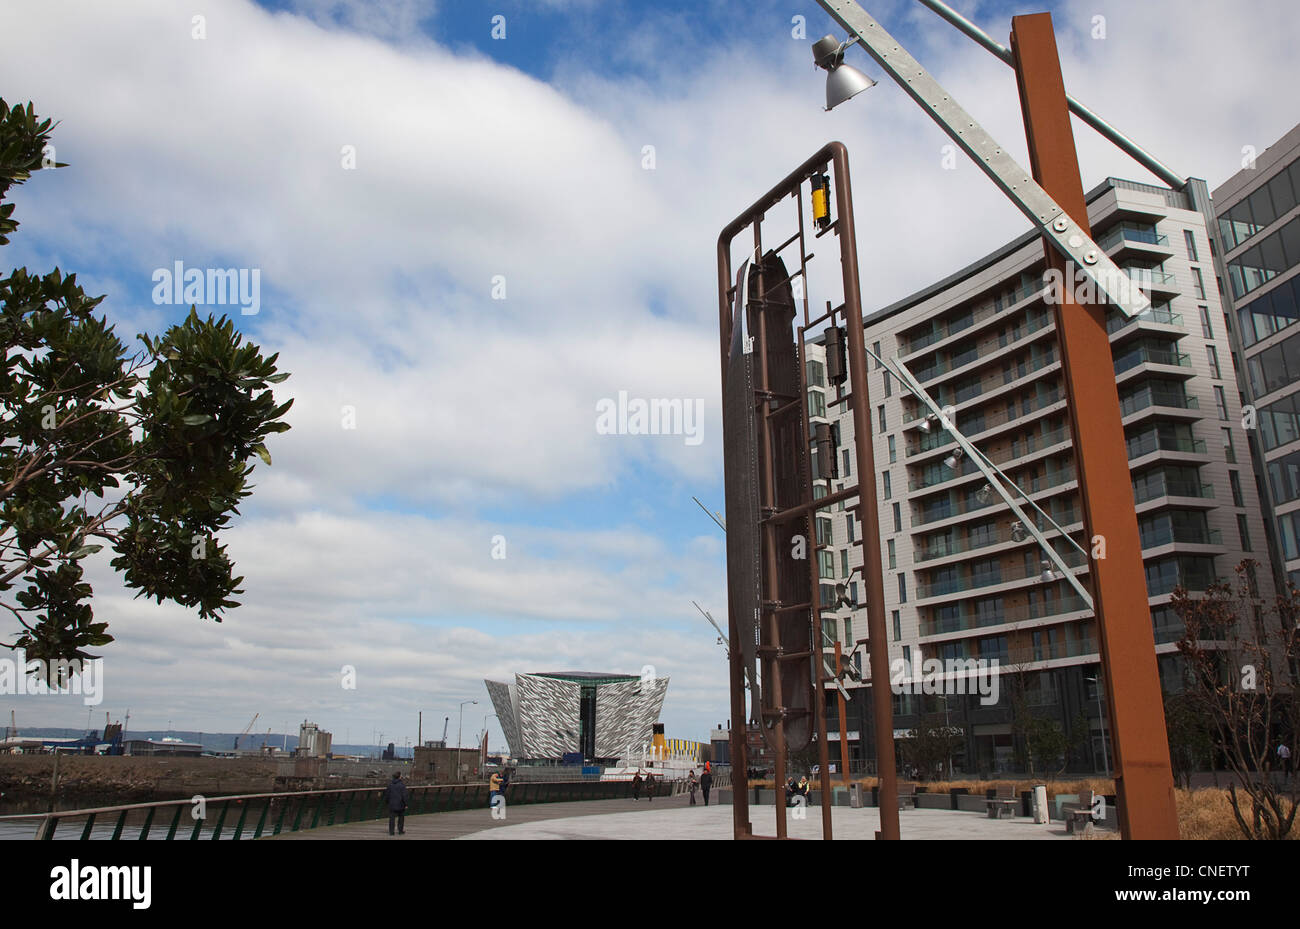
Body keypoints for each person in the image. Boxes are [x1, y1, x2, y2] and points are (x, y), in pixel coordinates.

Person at [384, 771, 409, 836]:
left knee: (392, 818)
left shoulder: (390, 785)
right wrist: (406, 804)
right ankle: (400, 830)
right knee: (401, 818)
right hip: (400, 804)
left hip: (392, 804)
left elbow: (387, 795)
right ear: (400, 777)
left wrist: (387, 802)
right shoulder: (402, 785)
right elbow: (404, 795)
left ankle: (391, 832)